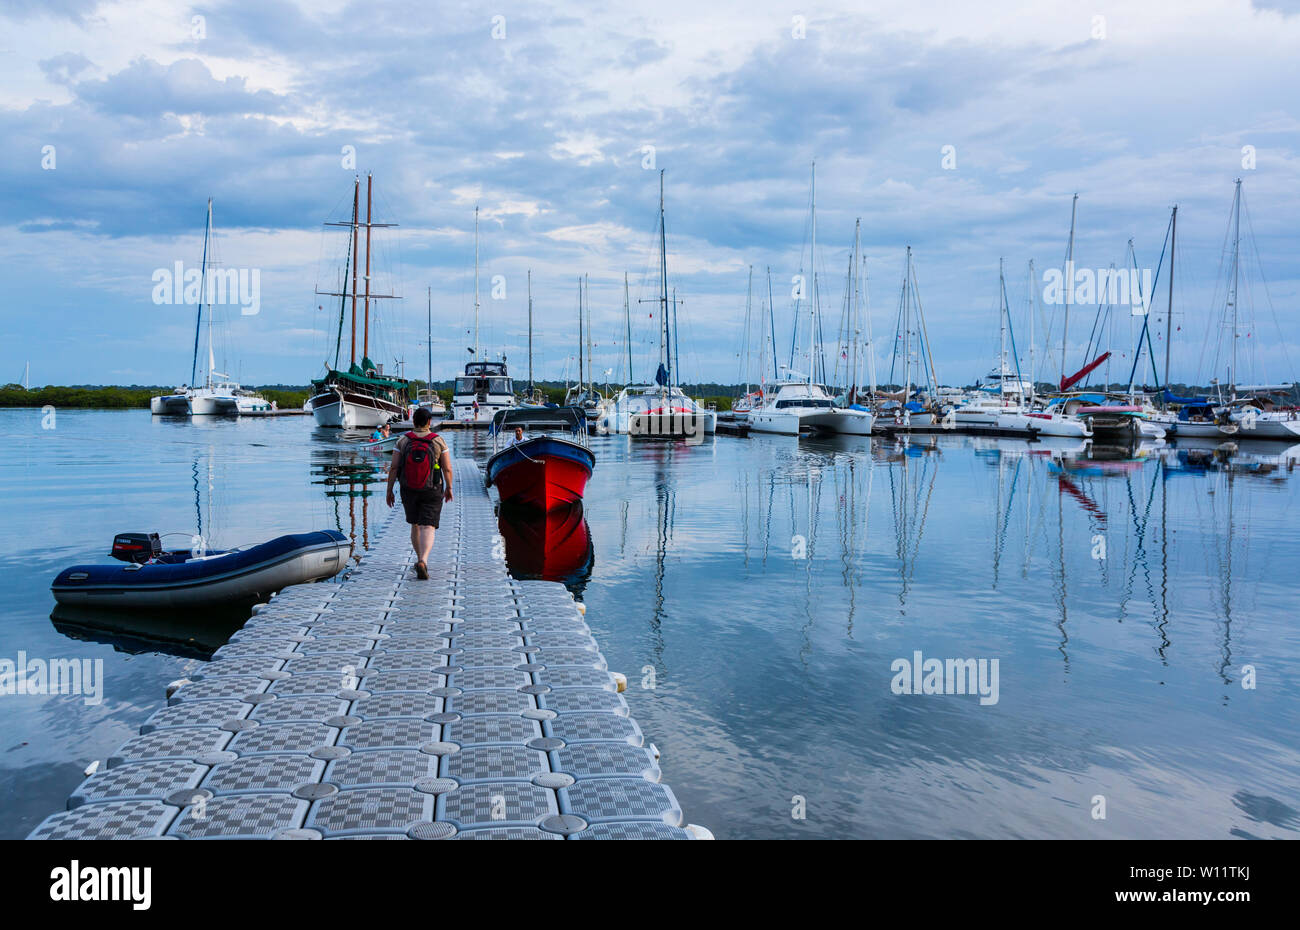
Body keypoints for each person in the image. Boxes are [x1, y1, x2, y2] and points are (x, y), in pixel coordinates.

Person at [386, 408, 453, 579]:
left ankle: (418, 559)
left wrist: (389, 491)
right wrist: (449, 487)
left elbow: (393, 467)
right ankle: (423, 560)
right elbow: (446, 468)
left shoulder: (403, 441)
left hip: (408, 489)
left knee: (415, 524)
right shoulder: (438, 441)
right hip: (432, 489)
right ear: (429, 421)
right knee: (428, 526)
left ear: (413, 421)